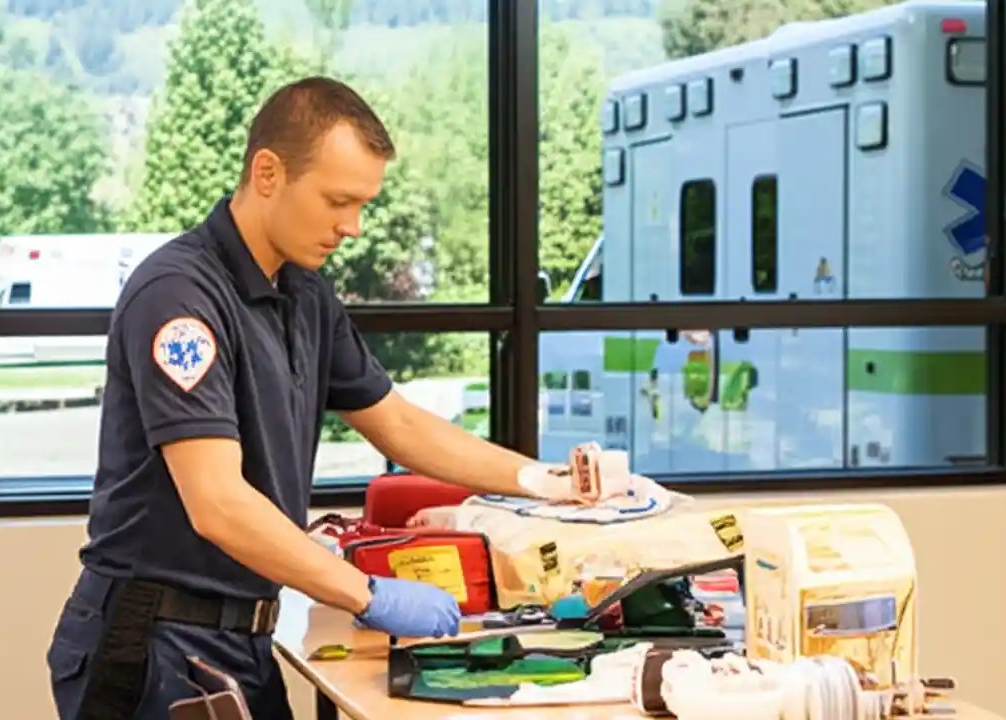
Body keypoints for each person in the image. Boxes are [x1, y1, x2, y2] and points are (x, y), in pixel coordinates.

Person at [45, 75, 599, 720]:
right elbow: (218, 504)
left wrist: (542, 481)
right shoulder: (179, 296)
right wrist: (366, 593)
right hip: (159, 641)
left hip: (244, 634)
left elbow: (396, 422)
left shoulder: (304, 295)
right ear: (268, 172)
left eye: (364, 204)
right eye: (338, 201)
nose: (353, 227)